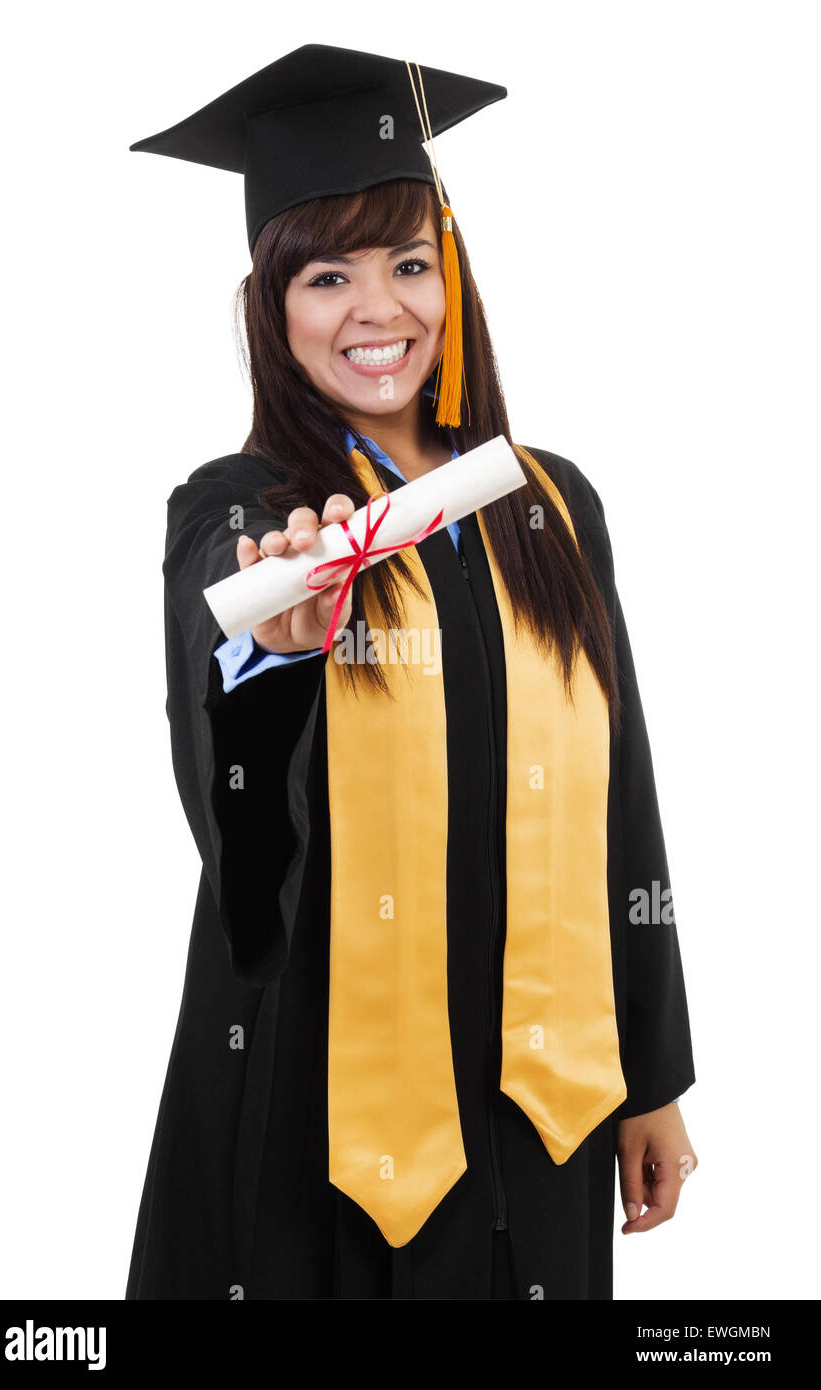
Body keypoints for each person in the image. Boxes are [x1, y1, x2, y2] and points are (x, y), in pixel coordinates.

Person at [126, 43, 697, 1301]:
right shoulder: (244, 510)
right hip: (315, 1094)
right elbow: (230, 783)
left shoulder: (545, 502)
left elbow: (624, 798)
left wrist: (651, 1071)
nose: (376, 310)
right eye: (326, 275)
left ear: (452, 279)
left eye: (407, 263)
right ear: (270, 305)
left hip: (532, 1089)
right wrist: (273, 648)